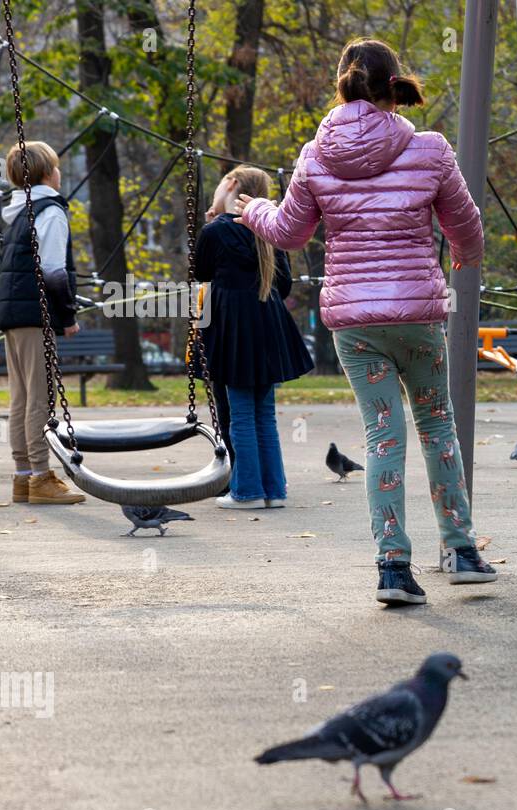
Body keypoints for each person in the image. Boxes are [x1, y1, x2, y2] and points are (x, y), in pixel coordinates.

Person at [238, 37, 496, 606]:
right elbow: (467, 227)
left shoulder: (314, 155)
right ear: (393, 85)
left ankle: (393, 567)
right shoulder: (429, 150)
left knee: (384, 436)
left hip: (353, 322)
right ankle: (462, 551)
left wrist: (248, 208)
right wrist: (461, 258)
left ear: (342, 85)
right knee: (437, 428)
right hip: (418, 317)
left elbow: (289, 234)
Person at [197, 165, 313, 509]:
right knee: (264, 413)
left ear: (231, 185)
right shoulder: (271, 228)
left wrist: (211, 222)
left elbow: (201, 273)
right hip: (269, 320)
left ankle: (246, 490)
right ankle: (273, 489)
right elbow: (285, 283)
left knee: (242, 413)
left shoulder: (216, 231)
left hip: (235, 324)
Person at [0, 141, 85, 506]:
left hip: (14, 315)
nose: (61, 173)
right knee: (40, 397)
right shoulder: (49, 210)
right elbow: (53, 271)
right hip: (36, 315)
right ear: (48, 173)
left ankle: (22, 477)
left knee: (21, 396)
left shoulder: (19, 212)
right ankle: (40, 475)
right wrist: (67, 316)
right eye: (58, 167)